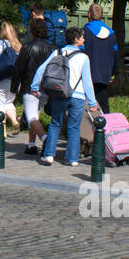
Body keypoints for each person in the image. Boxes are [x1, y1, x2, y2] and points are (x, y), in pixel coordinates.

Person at [31, 26, 94, 166]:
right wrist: (92, 102)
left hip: (60, 93)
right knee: (74, 127)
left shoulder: (57, 52)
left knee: (55, 123)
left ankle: (49, 155)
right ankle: (72, 159)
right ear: (76, 39)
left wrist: (35, 86)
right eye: (82, 37)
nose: (84, 39)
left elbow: (42, 69)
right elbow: (87, 81)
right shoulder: (84, 57)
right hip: (78, 96)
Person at [11, 16, 52, 154]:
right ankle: (31, 144)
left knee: (31, 117)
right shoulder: (52, 48)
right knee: (35, 115)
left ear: (32, 31)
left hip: (30, 87)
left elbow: (19, 69)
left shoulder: (27, 47)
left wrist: (14, 87)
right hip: (46, 87)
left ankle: (46, 139)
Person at [82, 3, 118, 112]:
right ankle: (106, 126)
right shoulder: (111, 34)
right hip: (104, 75)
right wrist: (112, 74)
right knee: (104, 106)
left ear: (89, 15)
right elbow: (116, 56)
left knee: (83, 107)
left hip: (86, 75)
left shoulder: (84, 33)